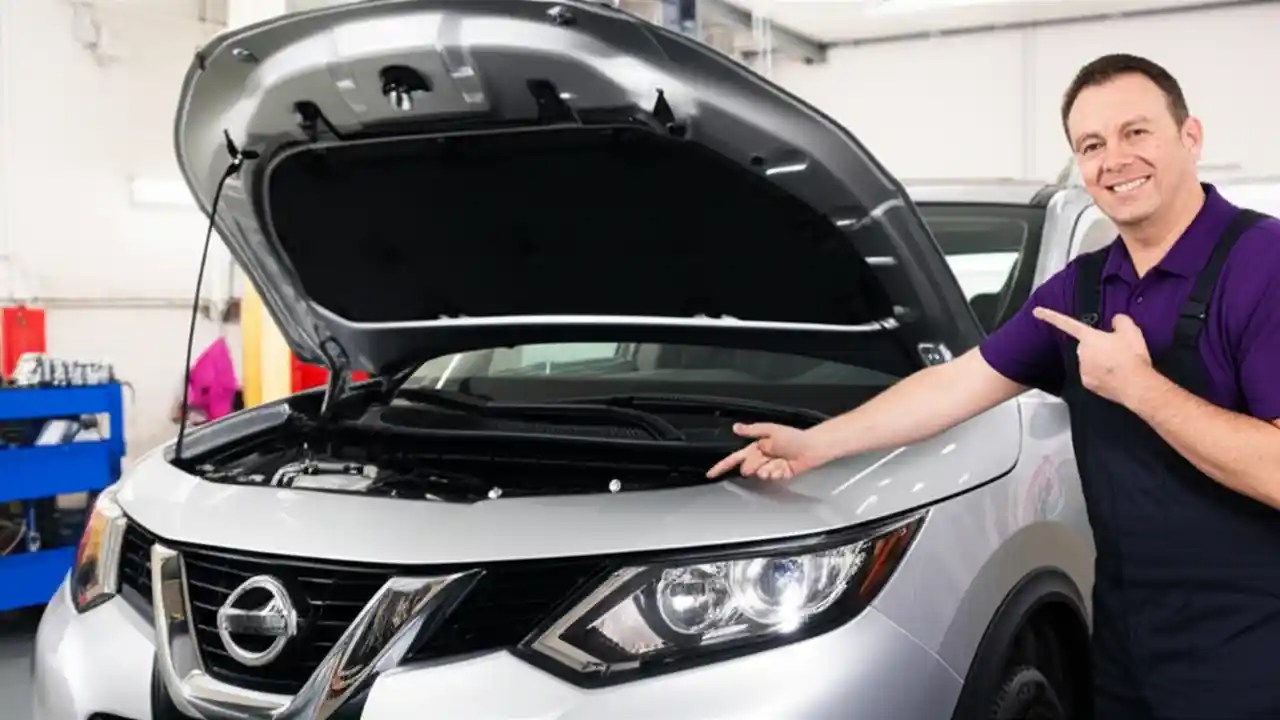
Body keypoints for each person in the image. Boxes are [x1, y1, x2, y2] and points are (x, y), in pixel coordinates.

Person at [707, 53, 1280, 719]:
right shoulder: (1083, 287)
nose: (1114, 159)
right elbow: (957, 384)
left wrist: (1140, 388)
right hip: (1128, 644)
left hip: (1254, 647)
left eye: (1136, 132)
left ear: (1191, 137)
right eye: (1091, 145)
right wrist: (816, 444)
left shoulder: (1263, 264)